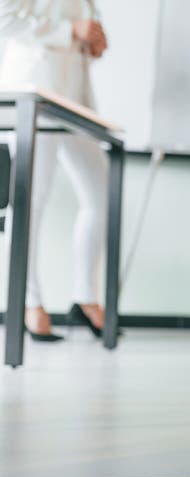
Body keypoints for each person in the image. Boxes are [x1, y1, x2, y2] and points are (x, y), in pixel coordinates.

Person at [0, 0, 115, 341]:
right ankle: (27, 303)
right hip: (35, 91)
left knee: (103, 192)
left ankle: (86, 298)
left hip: (74, 100)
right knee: (30, 199)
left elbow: (84, 22)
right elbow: (5, 18)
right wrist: (69, 31)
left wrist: (94, 41)